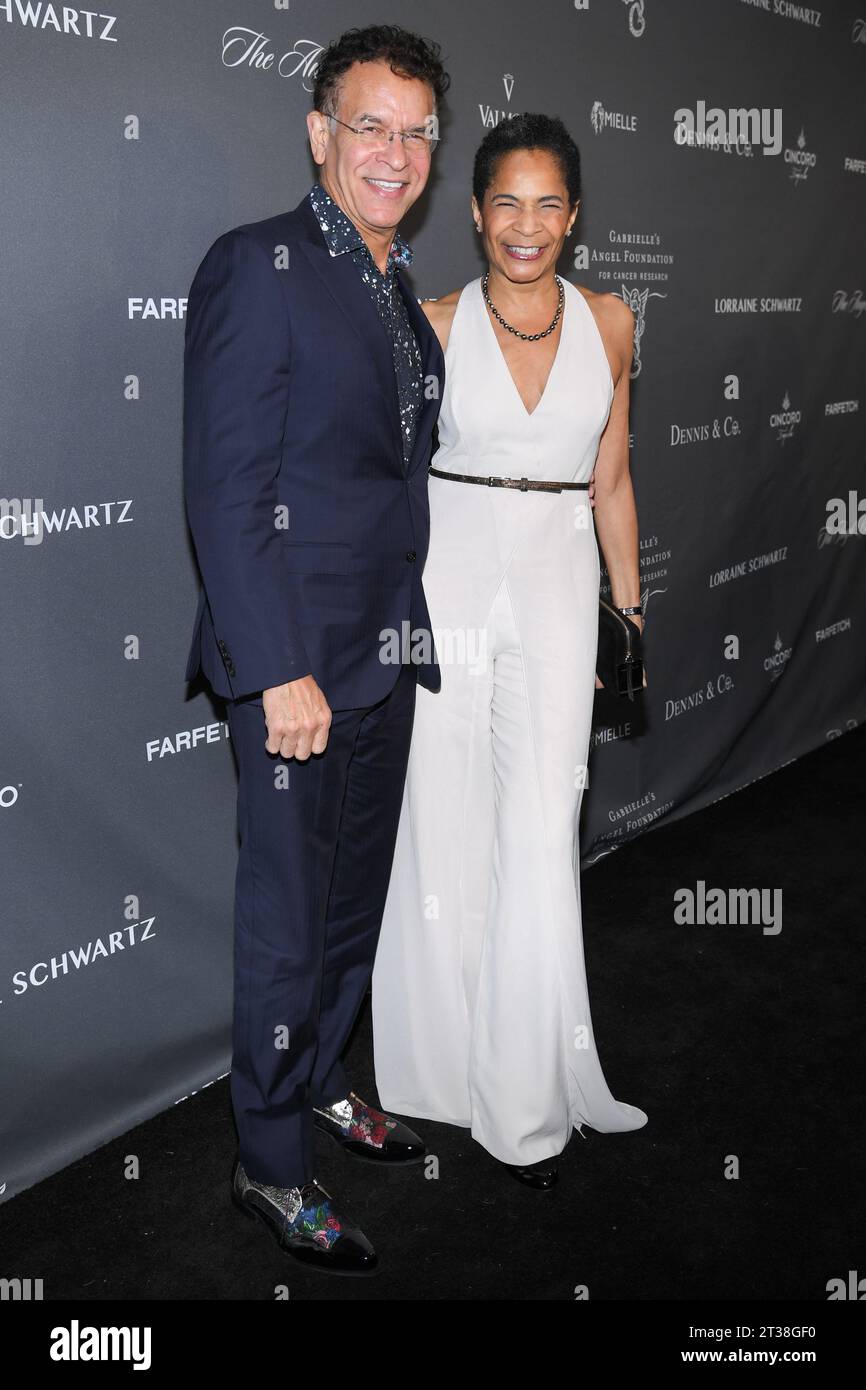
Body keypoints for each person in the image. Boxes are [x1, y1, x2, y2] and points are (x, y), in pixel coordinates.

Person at [182, 25, 450, 1274]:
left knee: (349, 911)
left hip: (387, 653)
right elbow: (227, 491)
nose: (391, 153)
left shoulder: (397, 289)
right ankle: (270, 1162)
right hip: (295, 669)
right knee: (288, 925)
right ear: (317, 133)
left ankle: (327, 1081)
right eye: (368, 125)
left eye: (414, 132)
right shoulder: (259, 266)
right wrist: (275, 662)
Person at [372, 113, 649, 1190]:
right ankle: (440, 1074)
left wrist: (626, 616)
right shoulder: (433, 323)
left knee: (541, 829)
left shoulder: (615, 324)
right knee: (439, 830)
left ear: (572, 218)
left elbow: (612, 482)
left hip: (552, 587)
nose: (523, 227)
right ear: (473, 209)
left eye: (547, 205)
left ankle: (530, 1092)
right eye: (503, 203)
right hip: (447, 585)